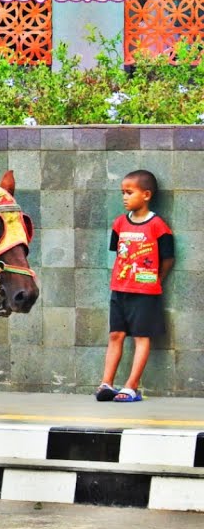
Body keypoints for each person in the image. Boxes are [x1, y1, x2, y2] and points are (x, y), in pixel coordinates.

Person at [96, 170, 174, 403]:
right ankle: (106, 384)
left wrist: (156, 279)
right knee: (115, 334)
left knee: (141, 336)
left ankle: (131, 386)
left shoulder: (158, 225)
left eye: (129, 192)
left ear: (146, 195)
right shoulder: (120, 223)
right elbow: (119, 253)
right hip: (120, 290)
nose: (124, 197)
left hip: (145, 293)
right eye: (123, 192)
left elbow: (168, 258)